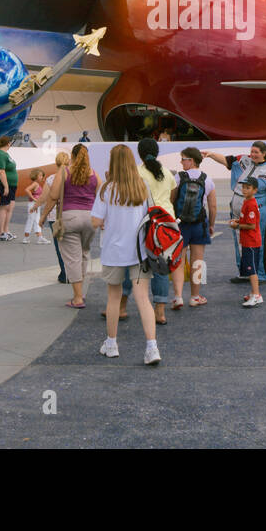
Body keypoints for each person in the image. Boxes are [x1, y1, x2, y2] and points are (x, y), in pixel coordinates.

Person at [91, 144, 161, 366]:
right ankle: (151, 347)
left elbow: (96, 221)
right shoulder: (142, 186)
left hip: (113, 252)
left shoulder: (106, 189)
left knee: (113, 297)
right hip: (140, 252)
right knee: (143, 298)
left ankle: (111, 344)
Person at [204, 142, 266, 285]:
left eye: (257, 152)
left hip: (258, 212)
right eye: (252, 151)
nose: (253, 154)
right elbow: (227, 161)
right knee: (240, 241)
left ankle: (261, 274)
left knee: (260, 241)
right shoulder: (244, 160)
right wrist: (211, 155)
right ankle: (245, 272)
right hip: (238, 209)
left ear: (264, 153)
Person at [44, 144, 99, 308]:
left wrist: (43, 216)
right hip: (90, 218)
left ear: (72, 156)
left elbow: (53, 196)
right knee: (83, 254)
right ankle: (80, 292)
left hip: (70, 217)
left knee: (72, 258)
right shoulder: (94, 174)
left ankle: (77, 297)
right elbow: (101, 196)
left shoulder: (64, 172)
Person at [136, 138, 179, 325]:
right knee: (162, 265)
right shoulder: (167, 172)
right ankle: (160, 311)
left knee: (135, 263)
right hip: (167, 223)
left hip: (146, 221)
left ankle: (120, 305)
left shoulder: (137, 172)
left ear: (139, 153)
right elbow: (172, 195)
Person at [174, 146, 218, 307]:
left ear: (191, 161)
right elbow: (212, 206)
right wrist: (211, 224)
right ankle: (195, 296)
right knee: (197, 262)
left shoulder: (178, 178)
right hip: (200, 223)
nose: (181, 162)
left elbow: (172, 199)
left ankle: (178, 296)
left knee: (179, 260)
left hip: (180, 223)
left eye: (183, 159)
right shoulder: (207, 179)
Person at [231, 178, 263, 307]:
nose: (244, 190)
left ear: (255, 190)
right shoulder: (247, 201)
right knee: (251, 267)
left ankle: (256, 295)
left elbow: (251, 225)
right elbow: (247, 221)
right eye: (243, 187)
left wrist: (237, 226)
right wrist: (239, 221)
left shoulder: (251, 204)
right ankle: (254, 293)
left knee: (252, 269)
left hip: (251, 242)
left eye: (248, 188)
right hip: (248, 241)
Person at [43, 152, 71, 282]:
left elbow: (46, 197)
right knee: (72, 246)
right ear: (69, 162)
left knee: (59, 246)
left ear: (56, 162)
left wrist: (41, 214)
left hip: (54, 215)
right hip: (70, 213)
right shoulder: (73, 177)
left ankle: (64, 274)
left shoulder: (51, 179)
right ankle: (74, 273)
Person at [0, 136, 18, 241]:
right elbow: (1, 171)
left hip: (12, 185)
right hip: (3, 184)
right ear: (8, 144)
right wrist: (6, 186)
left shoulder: (5, 154)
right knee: (3, 207)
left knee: (10, 207)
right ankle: (0, 232)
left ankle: (6, 230)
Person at [21, 169, 49, 244]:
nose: (41, 177)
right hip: (33, 204)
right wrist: (33, 198)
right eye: (40, 175)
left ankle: (39, 237)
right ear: (35, 176)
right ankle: (26, 238)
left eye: (42, 175)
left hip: (35, 204)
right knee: (31, 220)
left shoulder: (36, 184)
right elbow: (27, 190)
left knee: (36, 220)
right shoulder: (35, 184)